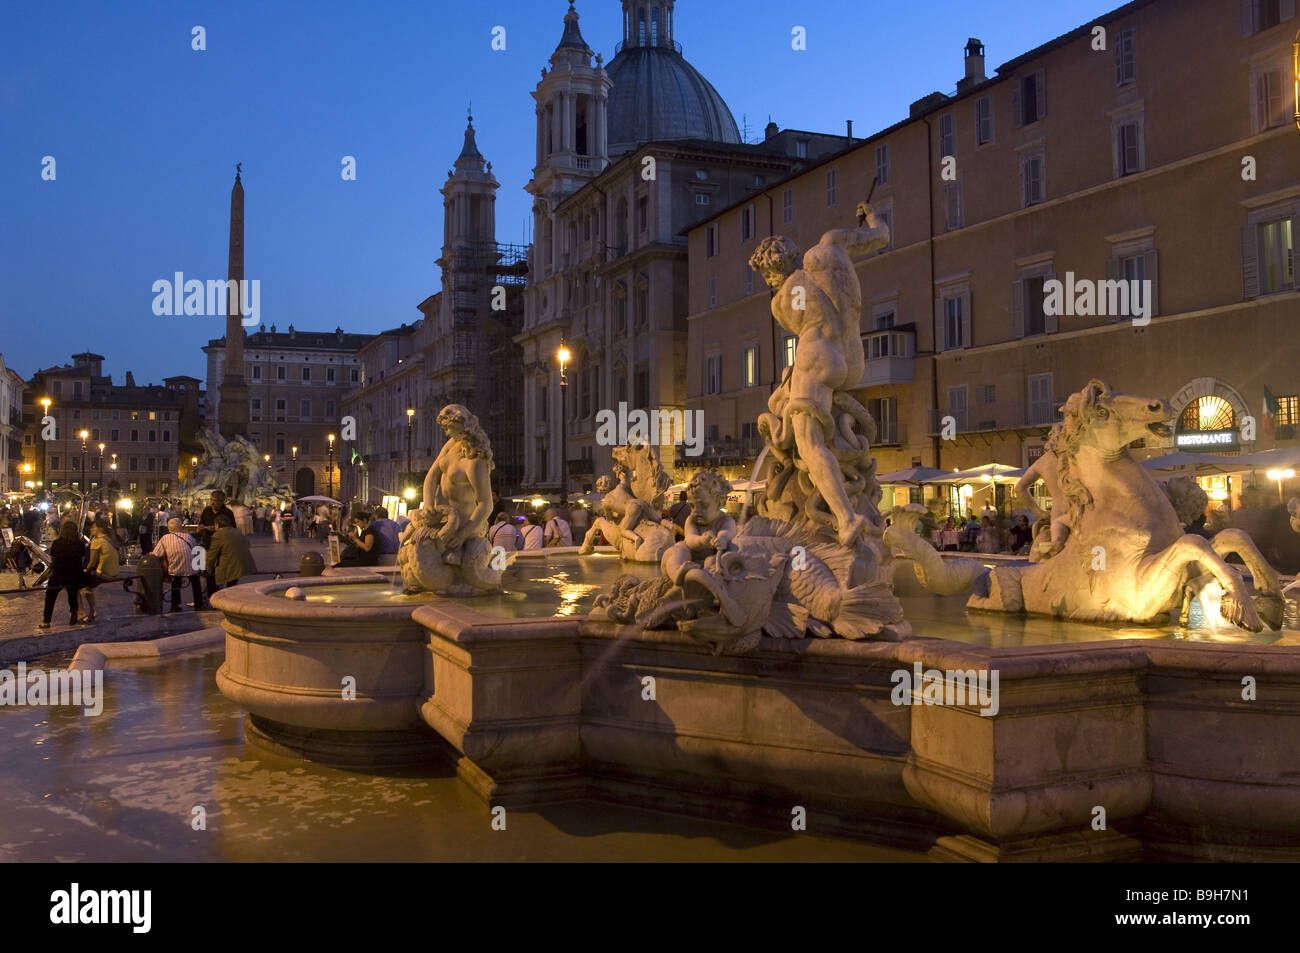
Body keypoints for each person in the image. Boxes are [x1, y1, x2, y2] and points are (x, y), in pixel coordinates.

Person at [750, 201, 890, 547]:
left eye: (766, 277)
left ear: (771, 273)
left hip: (815, 355)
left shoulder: (780, 299)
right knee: (790, 386)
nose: (768, 283)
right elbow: (881, 235)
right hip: (850, 360)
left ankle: (845, 518)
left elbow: (799, 321)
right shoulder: (828, 248)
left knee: (810, 443)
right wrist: (870, 217)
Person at [39, 520, 88, 628]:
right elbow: (83, 559)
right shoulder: (80, 543)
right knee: (72, 594)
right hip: (74, 573)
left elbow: (52, 559)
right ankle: (73, 612)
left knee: (50, 596)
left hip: (58, 573)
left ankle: (46, 621)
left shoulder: (57, 543)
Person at [152, 518, 205, 612]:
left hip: (176, 568)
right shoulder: (188, 537)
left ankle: (176, 605)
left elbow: (157, 554)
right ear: (181, 527)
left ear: (169, 528)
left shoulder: (165, 538)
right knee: (195, 582)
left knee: (176, 583)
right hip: (192, 566)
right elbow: (195, 549)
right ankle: (199, 604)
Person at [78, 518, 121, 624]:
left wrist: (85, 569)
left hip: (103, 573)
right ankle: (91, 611)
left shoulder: (97, 542)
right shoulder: (109, 539)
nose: (91, 529)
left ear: (100, 529)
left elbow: (92, 563)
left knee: (75, 584)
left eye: (93, 527)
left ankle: (84, 612)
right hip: (114, 571)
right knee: (86, 582)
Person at [207, 511, 257, 590]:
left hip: (230, 566)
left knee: (218, 585)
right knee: (232, 583)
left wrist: (208, 570)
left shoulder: (218, 535)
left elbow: (211, 556)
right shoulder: (237, 531)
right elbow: (247, 544)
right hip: (242, 564)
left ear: (217, 524)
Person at [199, 491, 232, 600]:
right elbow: (201, 524)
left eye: (216, 501)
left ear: (222, 501)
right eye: (212, 500)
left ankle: (220, 595)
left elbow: (233, 529)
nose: (213, 503)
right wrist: (201, 527)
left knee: (220, 571)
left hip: (222, 546)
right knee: (208, 570)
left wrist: (216, 529)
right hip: (209, 544)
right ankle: (209, 595)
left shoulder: (227, 513)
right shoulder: (206, 511)